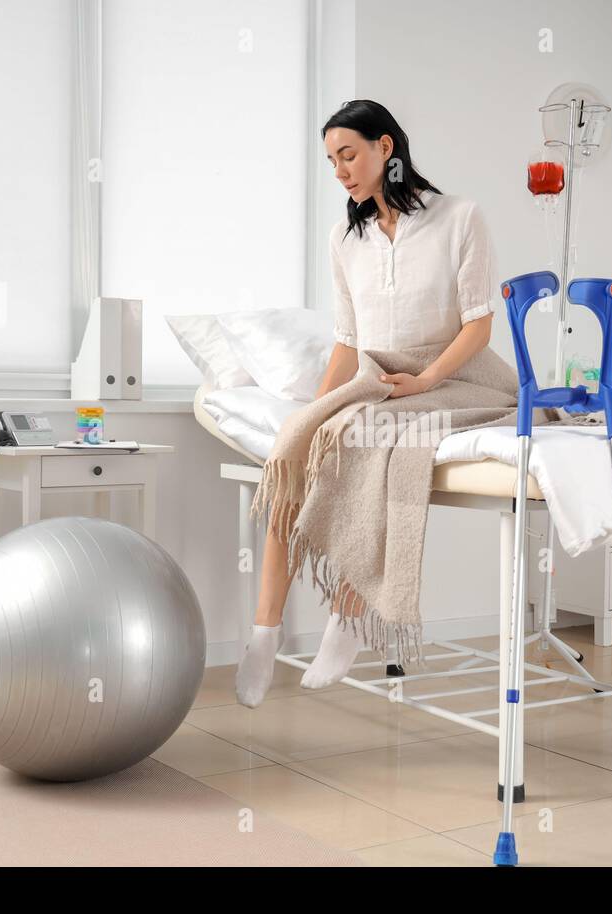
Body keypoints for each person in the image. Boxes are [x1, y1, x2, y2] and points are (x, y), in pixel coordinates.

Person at [235, 99, 498, 707]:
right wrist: (312, 412)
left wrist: (428, 380)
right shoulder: (343, 239)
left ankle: (351, 612)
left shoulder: (459, 217)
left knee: (373, 444)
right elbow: (348, 342)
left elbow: (479, 326)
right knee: (295, 448)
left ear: (386, 148)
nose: (340, 171)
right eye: (331, 161)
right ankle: (264, 632)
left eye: (348, 154)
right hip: (375, 379)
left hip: (453, 377)